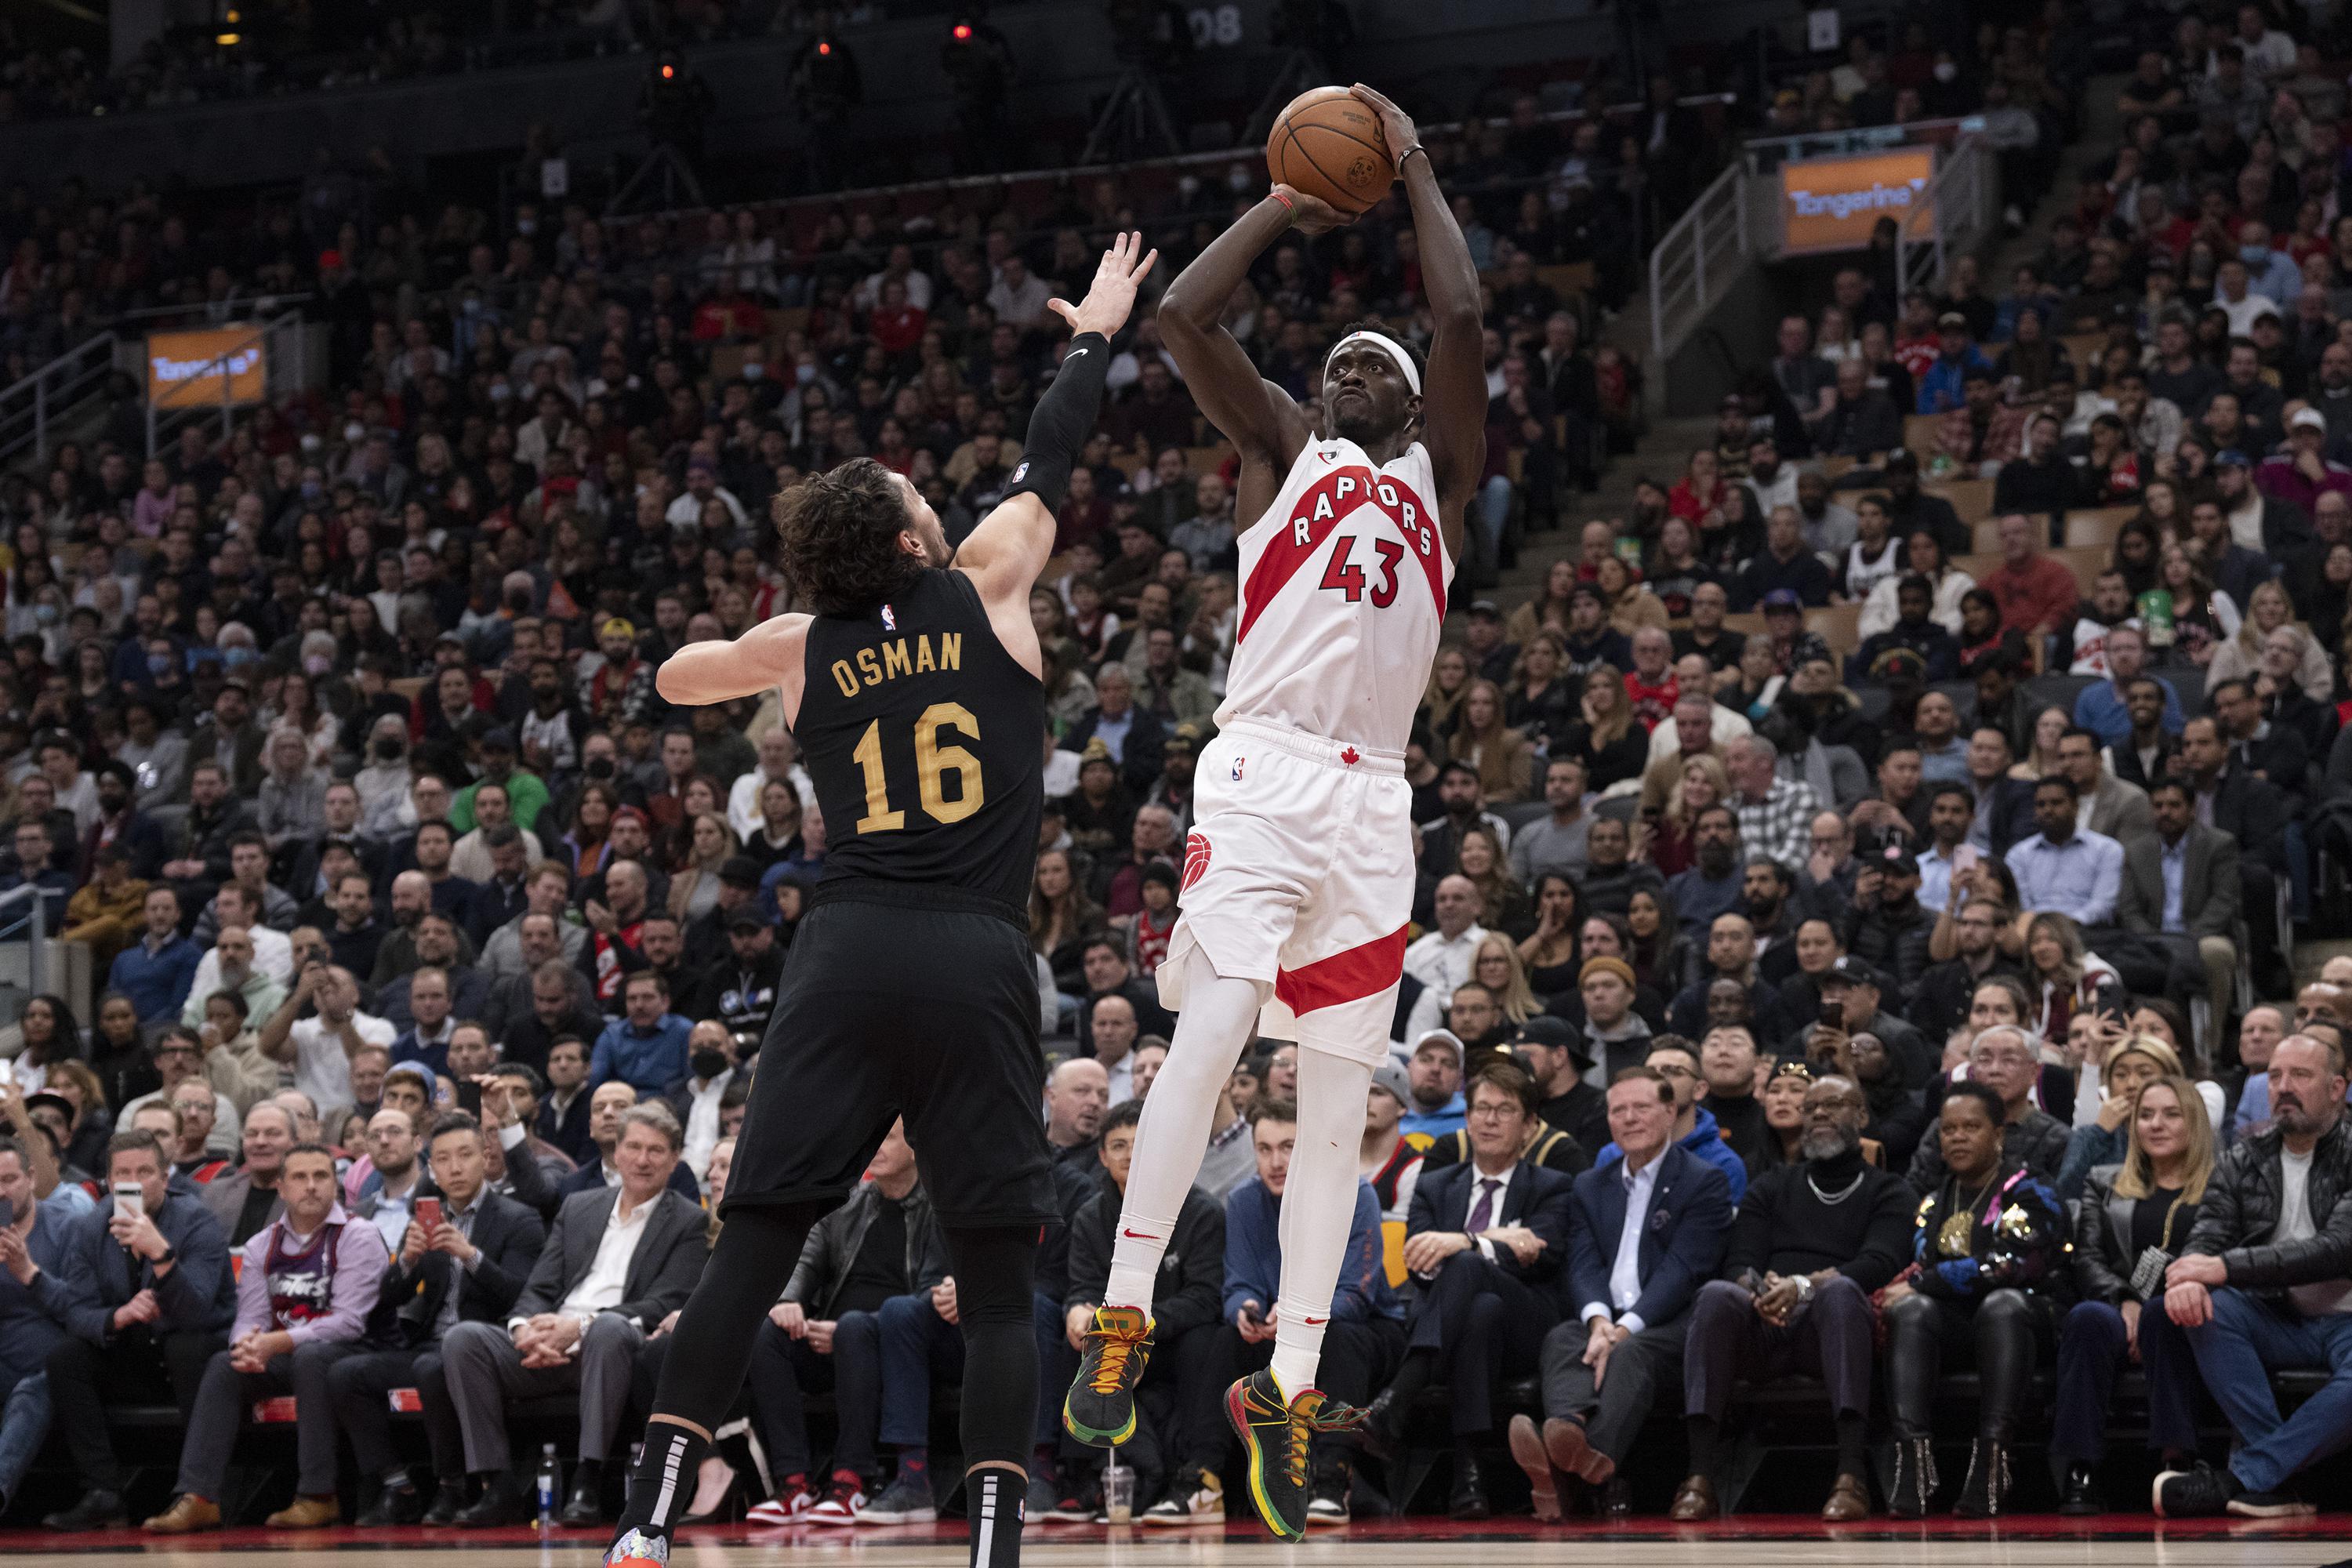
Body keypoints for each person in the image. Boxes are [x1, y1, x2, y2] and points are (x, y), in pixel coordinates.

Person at [605, 234, 1154, 1568]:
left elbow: (677, 677)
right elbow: (1051, 451)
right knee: (1003, 1272)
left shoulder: (800, 648)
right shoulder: (992, 586)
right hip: (973, 954)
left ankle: (646, 1521)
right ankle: (996, 1544)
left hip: (844, 951)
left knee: (759, 1234)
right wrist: (1094, 335)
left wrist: (773, 638)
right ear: (921, 536)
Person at [447, 1105, 710, 1528]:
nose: (643, 1160)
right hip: (546, 1344)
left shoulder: (688, 1220)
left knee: (607, 1329)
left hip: (613, 1346)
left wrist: (578, 1328)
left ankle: (588, 1479)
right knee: (464, 1339)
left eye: (656, 1151)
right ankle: (497, 1485)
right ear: (617, 1153)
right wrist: (524, 1330)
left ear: (675, 1159)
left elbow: (663, 1302)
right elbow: (540, 1288)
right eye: (635, 1147)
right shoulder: (579, 1206)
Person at [1671, 1073, 1912, 1523]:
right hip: (1765, 1326)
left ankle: (1851, 1475)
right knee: (1715, 1296)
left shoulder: (1889, 1190)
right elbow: (1739, 1261)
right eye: (1812, 1106)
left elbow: (1879, 1262)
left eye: (1834, 1104)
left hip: (1833, 1331)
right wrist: (1757, 1290)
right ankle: (1699, 1477)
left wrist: (1802, 1288)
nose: (1819, 1112)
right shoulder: (1772, 1184)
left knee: (1841, 1291)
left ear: (1861, 1116)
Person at [1514, 1066, 1731, 1520]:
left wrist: (1623, 1331)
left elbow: (1683, 1269)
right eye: (1619, 1110)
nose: (1629, 1118)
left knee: (1635, 1354)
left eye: (1641, 1107)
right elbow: (1583, 1262)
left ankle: (1573, 1465)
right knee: (1562, 1337)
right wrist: (1598, 1322)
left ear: (1670, 1112)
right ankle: (1570, 1432)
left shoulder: (1703, 1180)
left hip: (1669, 1323)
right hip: (1604, 1319)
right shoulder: (1591, 1184)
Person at [141, 1140, 388, 1534]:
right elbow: (251, 1316)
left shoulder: (359, 1235)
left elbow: (349, 1322)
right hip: (285, 1350)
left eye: (321, 1176)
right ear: (282, 1188)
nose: (311, 1186)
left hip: (352, 1354)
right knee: (225, 1364)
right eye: (300, 1177)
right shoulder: (262, 1243)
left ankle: (318, 1495)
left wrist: (276, 1343)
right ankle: (200, 1496)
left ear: (336, 1186)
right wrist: (246, 1344)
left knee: (312, 1358)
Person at [1359, 1062, 1571, 1519]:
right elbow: (1419, 1263)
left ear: (1530, 1126)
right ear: (1468, 1118)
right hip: (1462, 1323)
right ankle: (1467, 1475)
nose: (1490, 1120)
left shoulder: (1552, 1186)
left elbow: (1544, 1257)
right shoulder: (1437, 1185)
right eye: (1481, 1109)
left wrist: (1468, 1241)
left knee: (1470, 1270)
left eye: (1505, 1110)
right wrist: (1501, 1241)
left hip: (1528, 1324)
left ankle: (1399, 1396)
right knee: (1480, 1311)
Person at [2157, 1034, 2352, 1519]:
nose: (2284, 1087)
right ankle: (2280, 1480)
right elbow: (2210, 1233)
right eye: (2276, 1077)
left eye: (2301, 1076)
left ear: (2337, 1088)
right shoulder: (2244, 1156)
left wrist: (2221, 1268)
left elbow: (2338, 1249)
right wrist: (2190, 1278)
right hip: (2280, 1315)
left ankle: (2249, 1476)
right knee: (2205, 1307)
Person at [330, 1111, 550, 1526]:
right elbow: (388, 1297)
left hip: (489, 1347)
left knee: (434, 1366)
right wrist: (407, 1262)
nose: (455, 1167)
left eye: (465, 1156)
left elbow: (525, 1296)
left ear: (485, 1159)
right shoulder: (424, 1217)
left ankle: (451, 1488)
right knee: (346, 1375)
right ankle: (399, 1485)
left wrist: (471, 1256)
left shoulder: (518, 1218)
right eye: (444, 1159)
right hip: (425, 1343)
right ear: (433, 1168)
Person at [1203, 1098, 1405, 1526]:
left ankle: (1333, 1479)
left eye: (1288, 1146)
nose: (1275, 1161)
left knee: (1336, 1339)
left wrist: (1296, 1318)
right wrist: (1246, 1310)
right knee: (1221, 1339)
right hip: (1280, 1332)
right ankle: (1201, 1479)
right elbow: (1237, 1283)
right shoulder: (1242, 1201)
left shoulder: (1355, 1191)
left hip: (1362, 1329)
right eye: (1264, 1149)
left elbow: (1356, 1296)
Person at [1882, 1080, 2067, 1518]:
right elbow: (1920, 1271)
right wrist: (1921, 1288)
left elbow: (2014, 1264)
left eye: (1971, 1127)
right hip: (1957, 1322)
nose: (1958, 1137)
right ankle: (1914, 1464)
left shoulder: (2031, 1188)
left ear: (1998, 1135)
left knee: (1999, 1304)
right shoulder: (1933, 1199)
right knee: (1910, 1310)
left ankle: (1994, 1460)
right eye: (1949, 1129)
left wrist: (1930, 1283)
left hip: (2030, 1315)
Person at [38, 1131, 238, 1531]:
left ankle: (199, 1490)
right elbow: (76, 1310)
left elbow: (198, 1312)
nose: (133, 1181)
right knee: (66, 1358)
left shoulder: (197, 1221)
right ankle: (104, 1493)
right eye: (123, 1173)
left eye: (145, 1171)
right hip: (133, 1347)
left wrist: (161, 1256)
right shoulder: (91, 1226)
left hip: (193, 1348)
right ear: (110, 1183)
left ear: (165, 1179)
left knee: (186, 1346)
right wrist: (118, 1317)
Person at [2051, 1075, 2212, 1514]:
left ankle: (2176, 1459)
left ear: (2193, 1122)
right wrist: (2122, 1298)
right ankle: (2080, 1469)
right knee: (2085, 1318)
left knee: (2165, 1312)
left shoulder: (2220, 1183)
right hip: (2116, 1306)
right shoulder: (2104, 1182)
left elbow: (2221, 1250)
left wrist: (2163, 1299)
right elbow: (2087, 1255)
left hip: (2188, 1309)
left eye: (2170, 1114)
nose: (2155, 1124)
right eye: (2145, 1115)